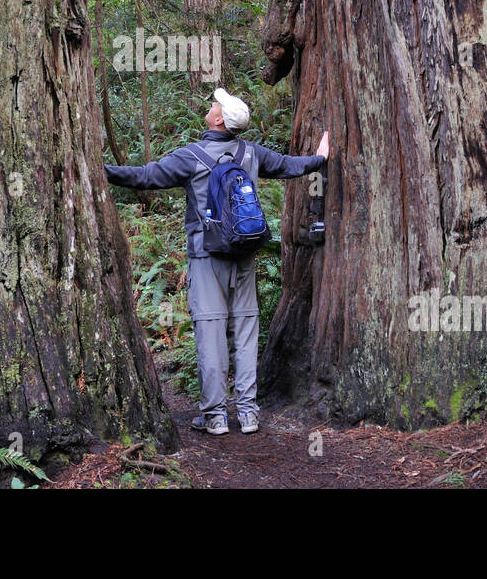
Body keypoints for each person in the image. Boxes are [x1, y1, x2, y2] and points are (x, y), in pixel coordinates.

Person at [104, 87, 329, 435]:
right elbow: (288, 166)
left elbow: (146, 176)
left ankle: (215, 416)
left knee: (210, 334)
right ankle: (249, 413)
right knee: (245, 331)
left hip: (206, 256)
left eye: (215, 105)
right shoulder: (252, 154)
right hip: (245, 253)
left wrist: (100, 170)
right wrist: (319, 159)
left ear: (219, 119)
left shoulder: (190, 156)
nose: (211, 106)